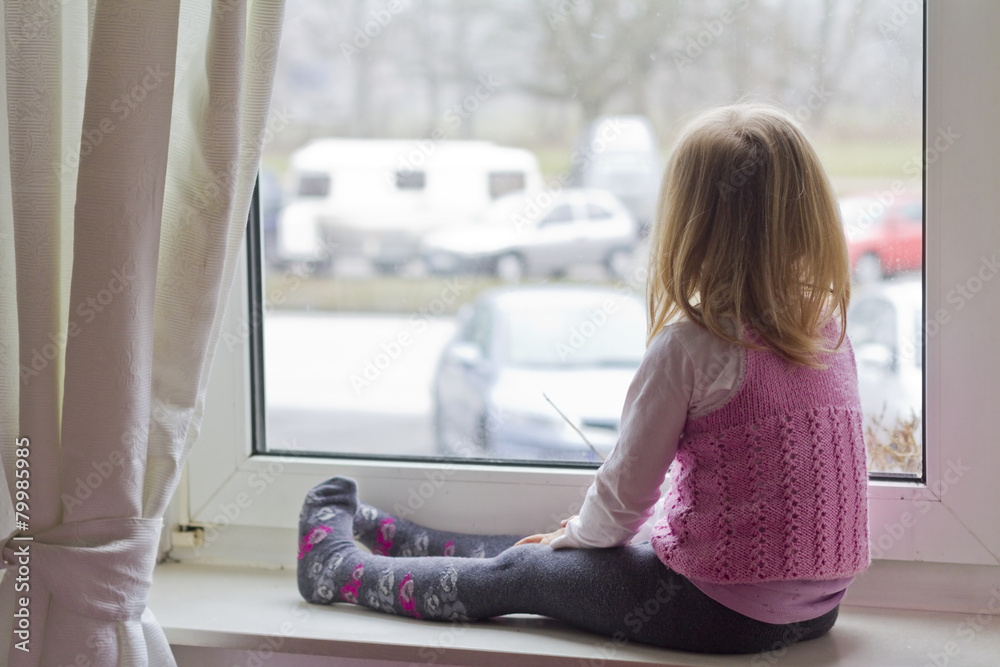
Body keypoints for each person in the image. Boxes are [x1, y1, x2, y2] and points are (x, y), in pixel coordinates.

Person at [296, 103, 870, 654]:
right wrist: (573, 537)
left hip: (718, 612)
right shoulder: (829, 329)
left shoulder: (691, 347)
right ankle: (407, 540)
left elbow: (624, 501)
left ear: (688, 228)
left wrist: (576, 536)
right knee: (555, 549)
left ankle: (339, 571)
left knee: (527, 570)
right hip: (818, 608)